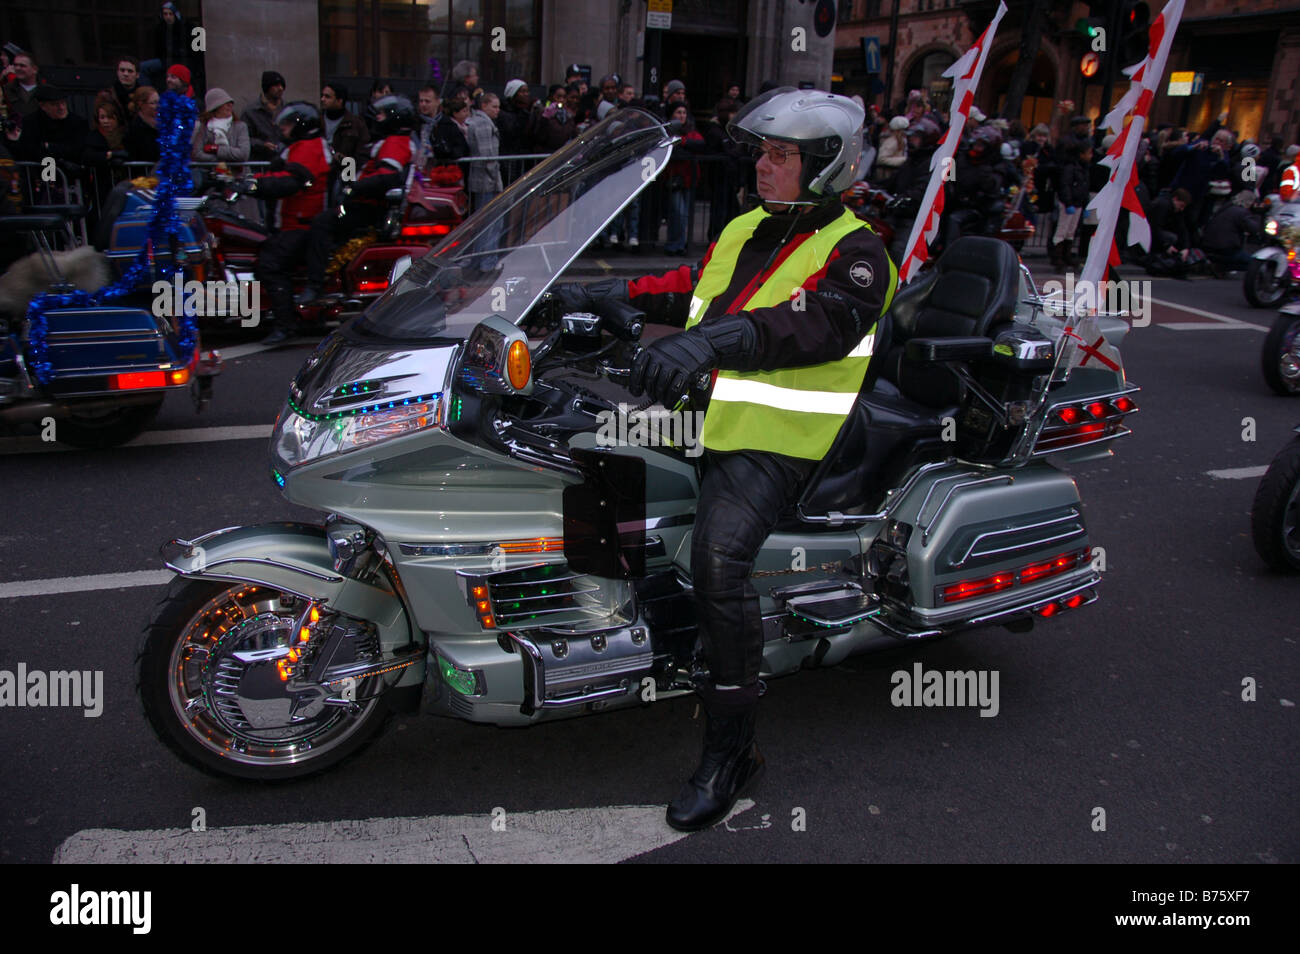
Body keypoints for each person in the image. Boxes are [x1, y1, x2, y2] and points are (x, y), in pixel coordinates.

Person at [551, 88, 895, 832]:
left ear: (826, 165)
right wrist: (595, 294)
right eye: (762, 153)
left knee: (719, 560)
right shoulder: (746, 225)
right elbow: (693, 291)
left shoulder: (859, 253)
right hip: (706, 418)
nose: (763, 166)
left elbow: (806, 325)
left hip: (780, 438)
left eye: (781, 155)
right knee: (578, 447)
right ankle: (607, 633)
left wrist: (705, 345)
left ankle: (733, 751)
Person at [300, 93, 415, 304]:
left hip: (368, 208)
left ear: (395, 118)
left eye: (382, 114)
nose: (377, 118)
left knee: (321, 222)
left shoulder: (395, 142)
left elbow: (386, 177)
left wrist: (354, 188)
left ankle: (315, 285)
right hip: (365, 204)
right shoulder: (390, 141)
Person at [237, 101, 333, 345]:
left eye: (288, 124)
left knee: (270, 264)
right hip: (294, 222)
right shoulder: (302, 146)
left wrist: (254, 185)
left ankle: (285, 324)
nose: (283, 128)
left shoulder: (308, 148)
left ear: (302, 125)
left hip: (301, 225)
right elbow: (279, 174)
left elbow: (291, 181)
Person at [662, 102, 705, 254]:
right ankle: (674, 244)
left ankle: (678, 244)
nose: (682, 116)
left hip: (689, 177)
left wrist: (683, 142)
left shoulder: (690, 132)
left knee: (683, 214)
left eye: (684, 113)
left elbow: (700, 144)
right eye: (678, 112)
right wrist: (684, 146)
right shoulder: (668, 132)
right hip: (674, 178)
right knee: (678, 213)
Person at [320, 82, 369, 194]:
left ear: (339, 101)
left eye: (327, 97)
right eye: (322, 96)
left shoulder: (356, 124)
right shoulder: (316, 121)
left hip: (346, 173)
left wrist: (345, 160)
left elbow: (364, 153)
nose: (322, 99)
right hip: (321, 174)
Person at [1201, 189, 1261, 274]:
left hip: (1209, 245)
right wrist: (1257, 213)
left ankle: (1218, 266)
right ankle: (1222, 267)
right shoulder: (1242, 212)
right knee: (1255, 264)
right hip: (1226, 248)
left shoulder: (1225, 207)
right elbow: (1254, 228)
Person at [191, 88, 250, 164]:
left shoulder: (240, 126)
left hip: (238, 171)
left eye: (230, 103)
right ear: (215, 107)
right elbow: (197, 153)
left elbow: (243, 154)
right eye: (225, 103)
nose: (230, 105)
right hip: (211, 171)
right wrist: (221, 161)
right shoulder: (204, 127)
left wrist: (217, 149)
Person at [245, 70, 286, 161]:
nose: (280, 88)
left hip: (284, 162)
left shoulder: (288, 109)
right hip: (260, 162)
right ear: (267, 87)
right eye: (276, 85)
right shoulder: (250, 111)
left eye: (282, 85)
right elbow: (244, 139)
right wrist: (262, 145)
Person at [125, 85, 161, 163]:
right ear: (141, 104)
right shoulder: (135, 128)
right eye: (153, 103)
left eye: (159, 102)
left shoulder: (162, 123)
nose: (158, 106)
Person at [2, 51, 41, 120]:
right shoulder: (6, 89)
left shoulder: (46, 88)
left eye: (22, 66)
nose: (17, 68)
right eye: (15, 65)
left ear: (35, 69)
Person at [874, 115, 908, 182]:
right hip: (886, 177)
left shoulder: (901, 140)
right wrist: (903, 160)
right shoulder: (891, 141)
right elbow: (881, 159)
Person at [111, 57, 141, 121]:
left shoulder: (144, 95)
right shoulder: (108, 95)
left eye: (130, 71)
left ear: (137, 75)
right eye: (122, 70)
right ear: (117, 73)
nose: (125, 74)